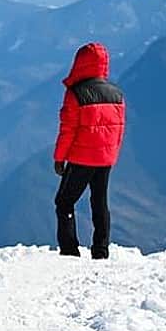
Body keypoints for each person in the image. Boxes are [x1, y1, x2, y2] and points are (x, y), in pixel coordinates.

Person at [52, 41, 125, 259]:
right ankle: (101, 250)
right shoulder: (117, 94)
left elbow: (67, 130)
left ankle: (69, 250)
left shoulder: (75, 94)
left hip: (81, 158)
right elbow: (119, 131)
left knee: (64, 202)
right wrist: (112, 154)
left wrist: (59, 158)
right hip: (106, 158)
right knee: (99, 202)